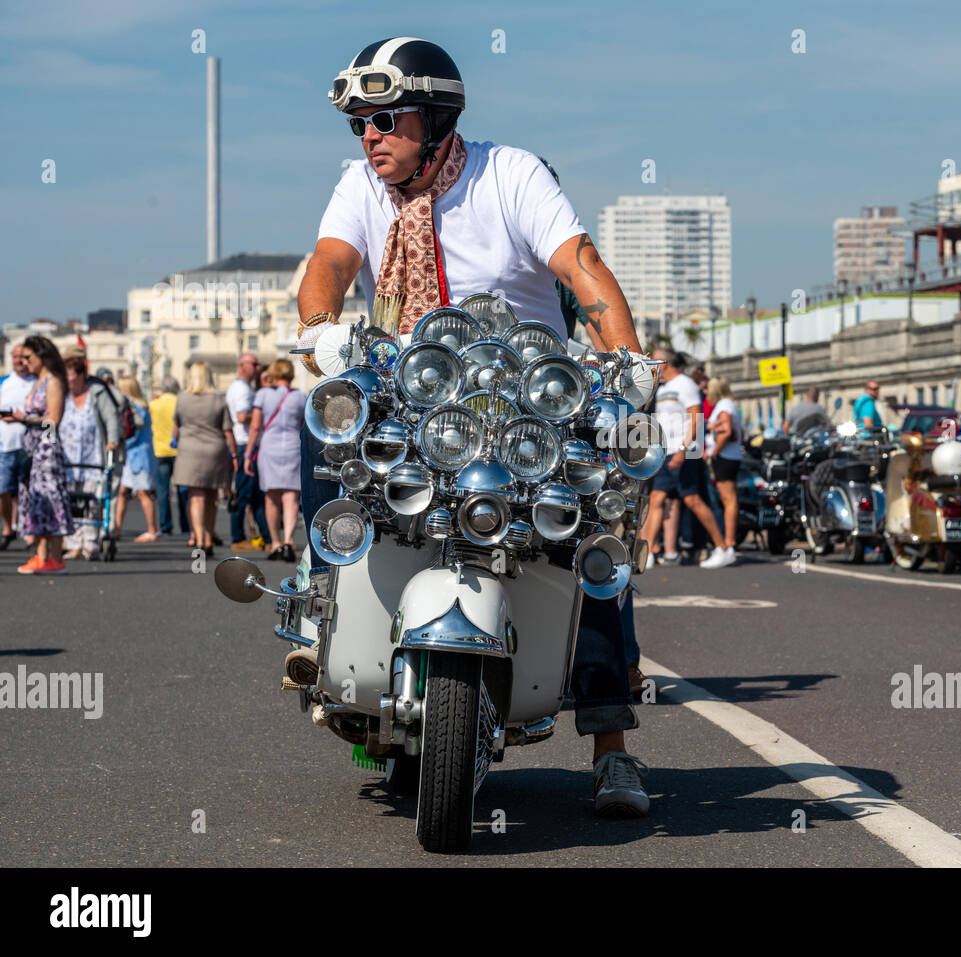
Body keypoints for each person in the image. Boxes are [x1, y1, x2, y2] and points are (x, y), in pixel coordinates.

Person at [298, 36, 651, 816]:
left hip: (528, 403)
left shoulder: (509, 174)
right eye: (360, 123)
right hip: (406, 394)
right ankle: (315, 594)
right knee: (318, 416)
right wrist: (322, 325)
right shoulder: (360, 185)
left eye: (386, 118)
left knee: (587, 527)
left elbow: (579, 265)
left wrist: (632, 364)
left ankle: (611, 745)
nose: (370, 137)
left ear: (436, 118)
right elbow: (328, 260)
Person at [640, 349, 733, 569]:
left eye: (655, 360)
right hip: (666, 451)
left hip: (684, 451)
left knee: (692, 500)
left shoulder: (685, 385)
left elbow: (695, 418)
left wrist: (683, 448)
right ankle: (649, 552)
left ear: (666, 363)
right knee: (656, 499)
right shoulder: (664, 388)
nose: (652, 364)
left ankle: (723, 548)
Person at [1, 337, 74, 574]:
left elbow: (54, 420)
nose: (25, 362)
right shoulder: (38, 381)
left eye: (29, 357)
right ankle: (41, 556)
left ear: (41, 357)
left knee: (50, 498)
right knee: (35, 499)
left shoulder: (53, 382)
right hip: (32, 446)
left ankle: (54, 556)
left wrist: (24, 418)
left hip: (47, 447)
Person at [58, 353, 121, 558]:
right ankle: (74, 542)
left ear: (81, 375)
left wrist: (112, 440)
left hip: (92, 453)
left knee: (92, 498)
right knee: (69, 498)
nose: (67, 379)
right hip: (67, 454)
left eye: (70, 375)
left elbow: (111, 418)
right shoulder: (61, 394)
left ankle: (91, 541)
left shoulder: (97, 392)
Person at [245, 359, 307, 562]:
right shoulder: (300, 396)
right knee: (290, 497)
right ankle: (289, 540)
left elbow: (255, 427)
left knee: (271, 497)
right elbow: (303, 425)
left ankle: (276, 542)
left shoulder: (262, 395)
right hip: (291, 446)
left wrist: (247, 454)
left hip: (269, 447)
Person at [173, 362, 236, 558]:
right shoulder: (219, 398)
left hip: (189, 450)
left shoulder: (182, 398)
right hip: (214, 450)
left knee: (196, 496)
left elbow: (176, 429)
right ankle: (208, 539)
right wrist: (234, 454)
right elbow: (227, 430)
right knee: (212, 497)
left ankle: (199, 538)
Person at [227, 352, 272, 552]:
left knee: (255, 496)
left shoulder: (241, 388)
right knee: (244, 494)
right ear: (243, 365)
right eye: (254, 364)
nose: (257, 368)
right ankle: (237, 537)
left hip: (246, 444)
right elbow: (241, 416)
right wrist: (260, 414)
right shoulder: (243, 390)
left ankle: (268, 537)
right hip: (246, 444)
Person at [113, 376, 160, 543]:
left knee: (142, 493)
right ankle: (117, 528)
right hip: (137, 455)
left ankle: (152, 530)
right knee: (123, 492)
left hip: (136, 456)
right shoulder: (141, 407)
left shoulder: (135, 409)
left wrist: (118, 443)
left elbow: (132, 433)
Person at [0, 343, 36, 550]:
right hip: (5, 444)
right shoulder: (4, 382)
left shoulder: (38, 383)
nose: (19, 361)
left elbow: (48, 418)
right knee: (3, 489)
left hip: (30, 445)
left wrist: (22, 420)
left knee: (28, 491)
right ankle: (8, 527)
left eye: (24, 357)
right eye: (16, 357)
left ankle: (29, 530)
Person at [706, 376, 743, 554]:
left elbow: (727, 431)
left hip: (724, 457)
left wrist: (714, 452)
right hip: (731, 456)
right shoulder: (730, 404)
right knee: (729, 499)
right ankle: (730, 539)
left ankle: (729, 540)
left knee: (728, 499)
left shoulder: (723, 407)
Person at [150, 376, 190, 538]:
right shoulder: (181, 402)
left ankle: (166, 526)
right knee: (183, 490)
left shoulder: (154, 404)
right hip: (180, 450)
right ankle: (186, 525)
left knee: (162, 491)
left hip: (160, 450)